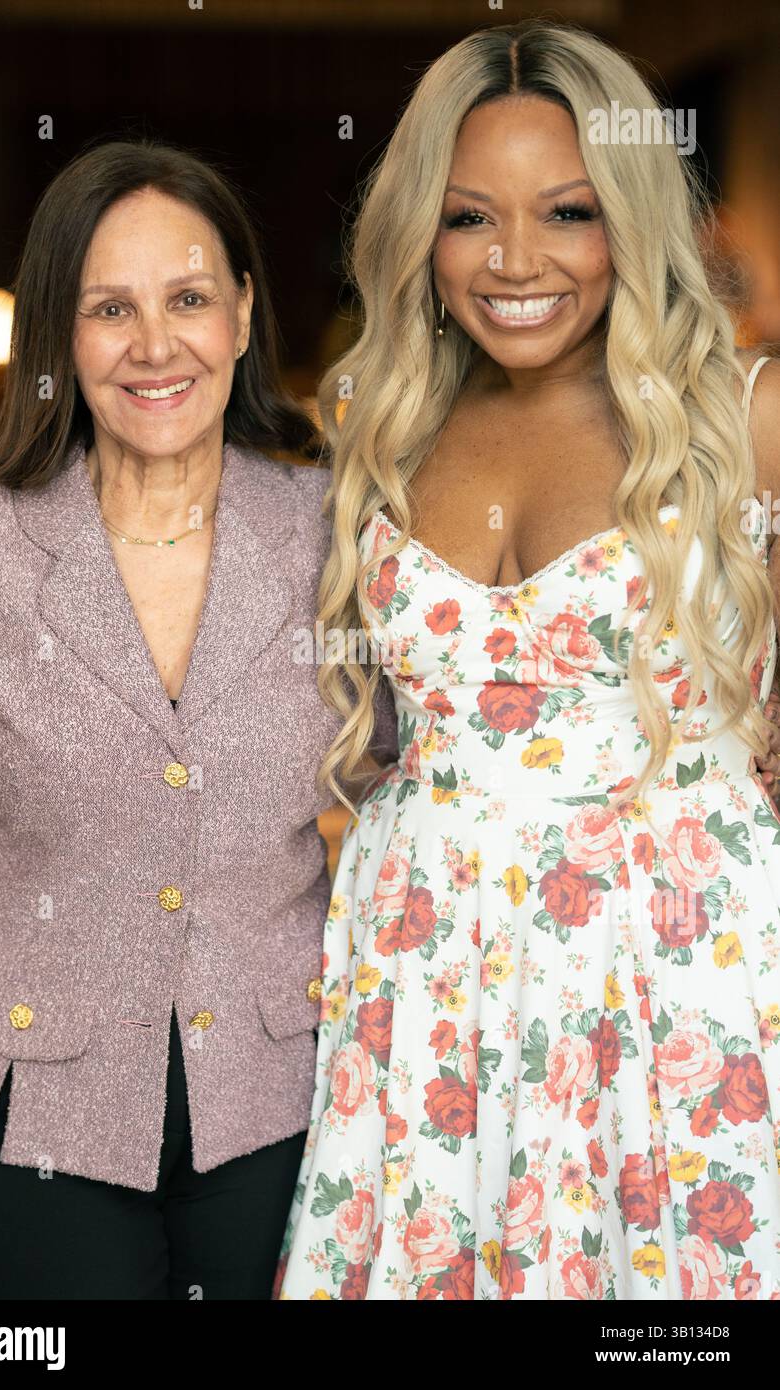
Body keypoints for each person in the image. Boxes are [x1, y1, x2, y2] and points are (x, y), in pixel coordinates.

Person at [275, 21, 780, 1299]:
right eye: (465, 219)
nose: (513, 262)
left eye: (565, 212)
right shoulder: (374, 428)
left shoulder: (747, 416)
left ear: (628, 212)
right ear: (416, 235)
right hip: (427, 986)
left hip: (683, 987)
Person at [0, 140, 397, 1300]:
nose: (153, 345)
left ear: (239, 311)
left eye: (187, 298)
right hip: (26, 1119)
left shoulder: (344, 535)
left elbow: (414, 786)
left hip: (284, 1101)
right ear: (58, 337)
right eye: (109, 309)